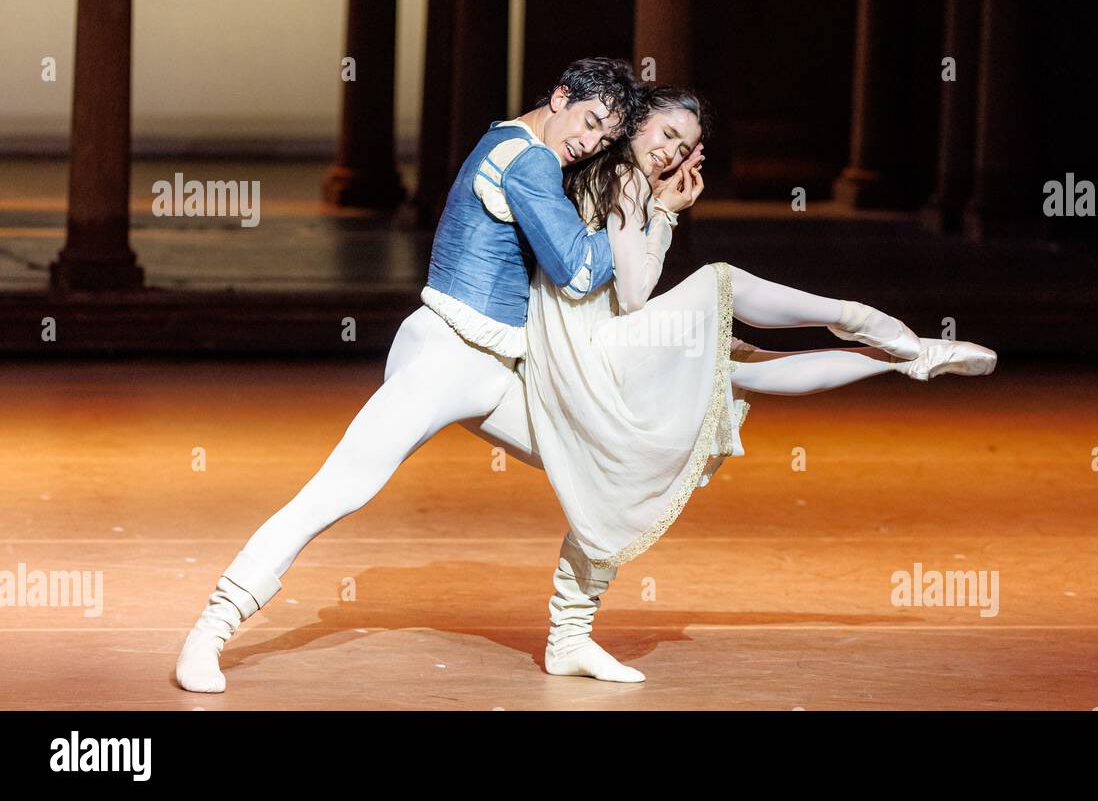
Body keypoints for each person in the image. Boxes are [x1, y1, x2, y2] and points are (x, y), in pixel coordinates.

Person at [173, 58, 694, 693]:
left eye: (605, 140)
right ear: (559, 97)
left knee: (602, 466)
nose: (589, 145)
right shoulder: (527, 159)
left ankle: (571, 638)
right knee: (339, 490)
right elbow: (581, 273)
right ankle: (209, 631)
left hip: (492, 369)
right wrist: (643, 215)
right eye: (588, 124)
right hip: (448, 356)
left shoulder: (512, 139)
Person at [470, 85, 997, 683]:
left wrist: (661, 208)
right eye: (666, 136)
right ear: (635, 128)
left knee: (741, 367)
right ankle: (873, 328)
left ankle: (901, 357)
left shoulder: (622, 178)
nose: (672, 153)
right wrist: (666, 213)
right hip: (593, 353)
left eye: (687, 147)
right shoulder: (619, 177)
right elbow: (636, 292)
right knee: (722, 288)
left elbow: (626, 294)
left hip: (606, 340)